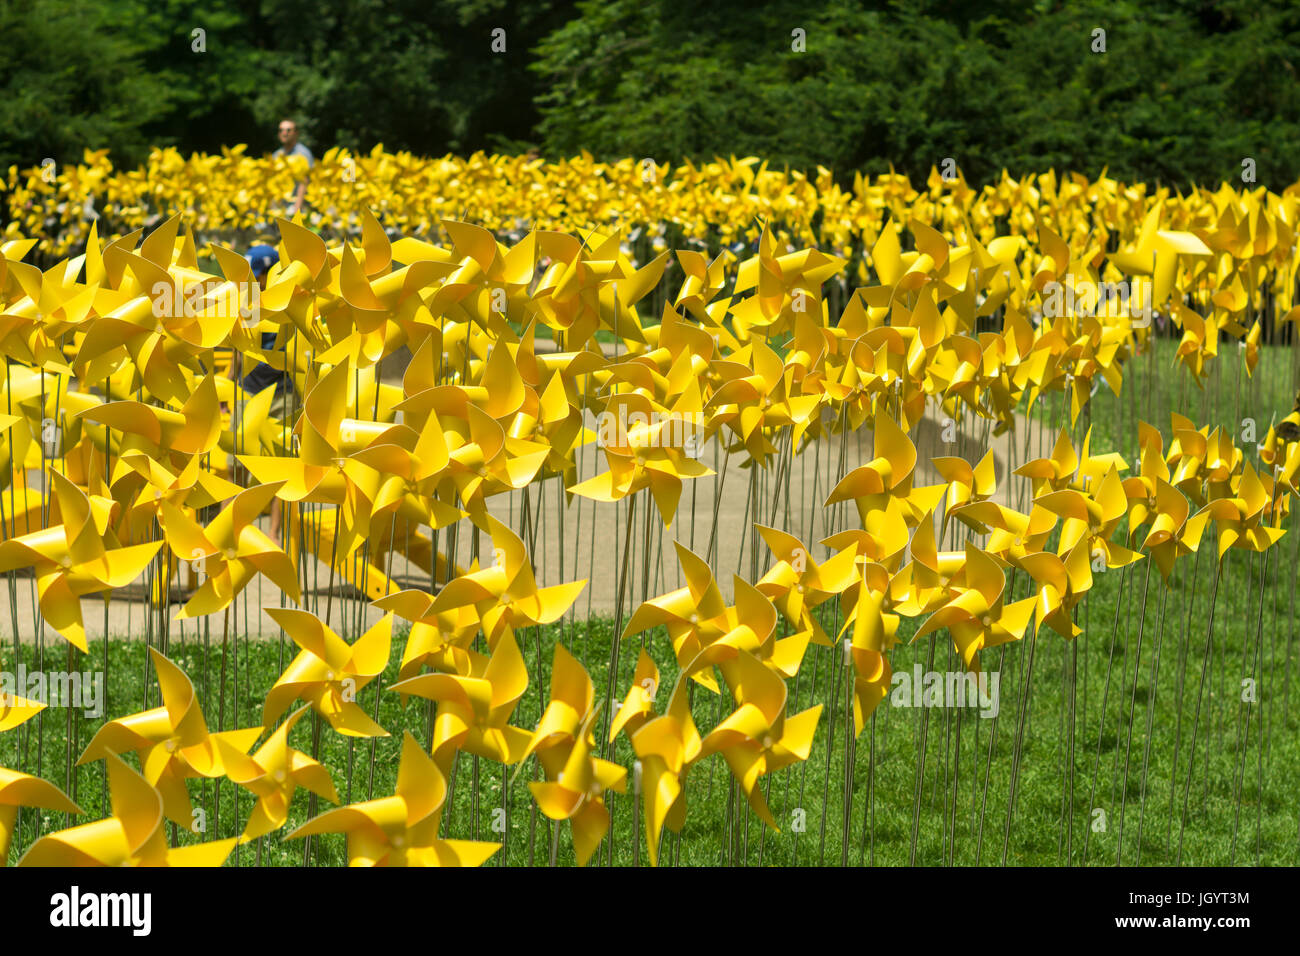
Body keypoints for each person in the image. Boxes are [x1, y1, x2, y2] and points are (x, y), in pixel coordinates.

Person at [226, 244, 292, 546]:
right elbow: (237, 351)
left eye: (259, 276)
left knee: (280, 470)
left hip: (282, 393)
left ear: (273, 273)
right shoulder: (245, 303)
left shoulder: (289, 304)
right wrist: (227, 390)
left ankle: (273, 535)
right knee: (235, 464)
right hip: (247, 391)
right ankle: (230, 529)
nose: (255, 282)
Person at [273, 118, 314, 215]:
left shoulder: (303, 153)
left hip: (298, 208)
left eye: (288, 130)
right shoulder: (276, 155)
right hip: (280, 208)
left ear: (296, 133)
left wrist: (297, 209)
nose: (284, 133)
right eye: (281, 130)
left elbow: (304, 181)